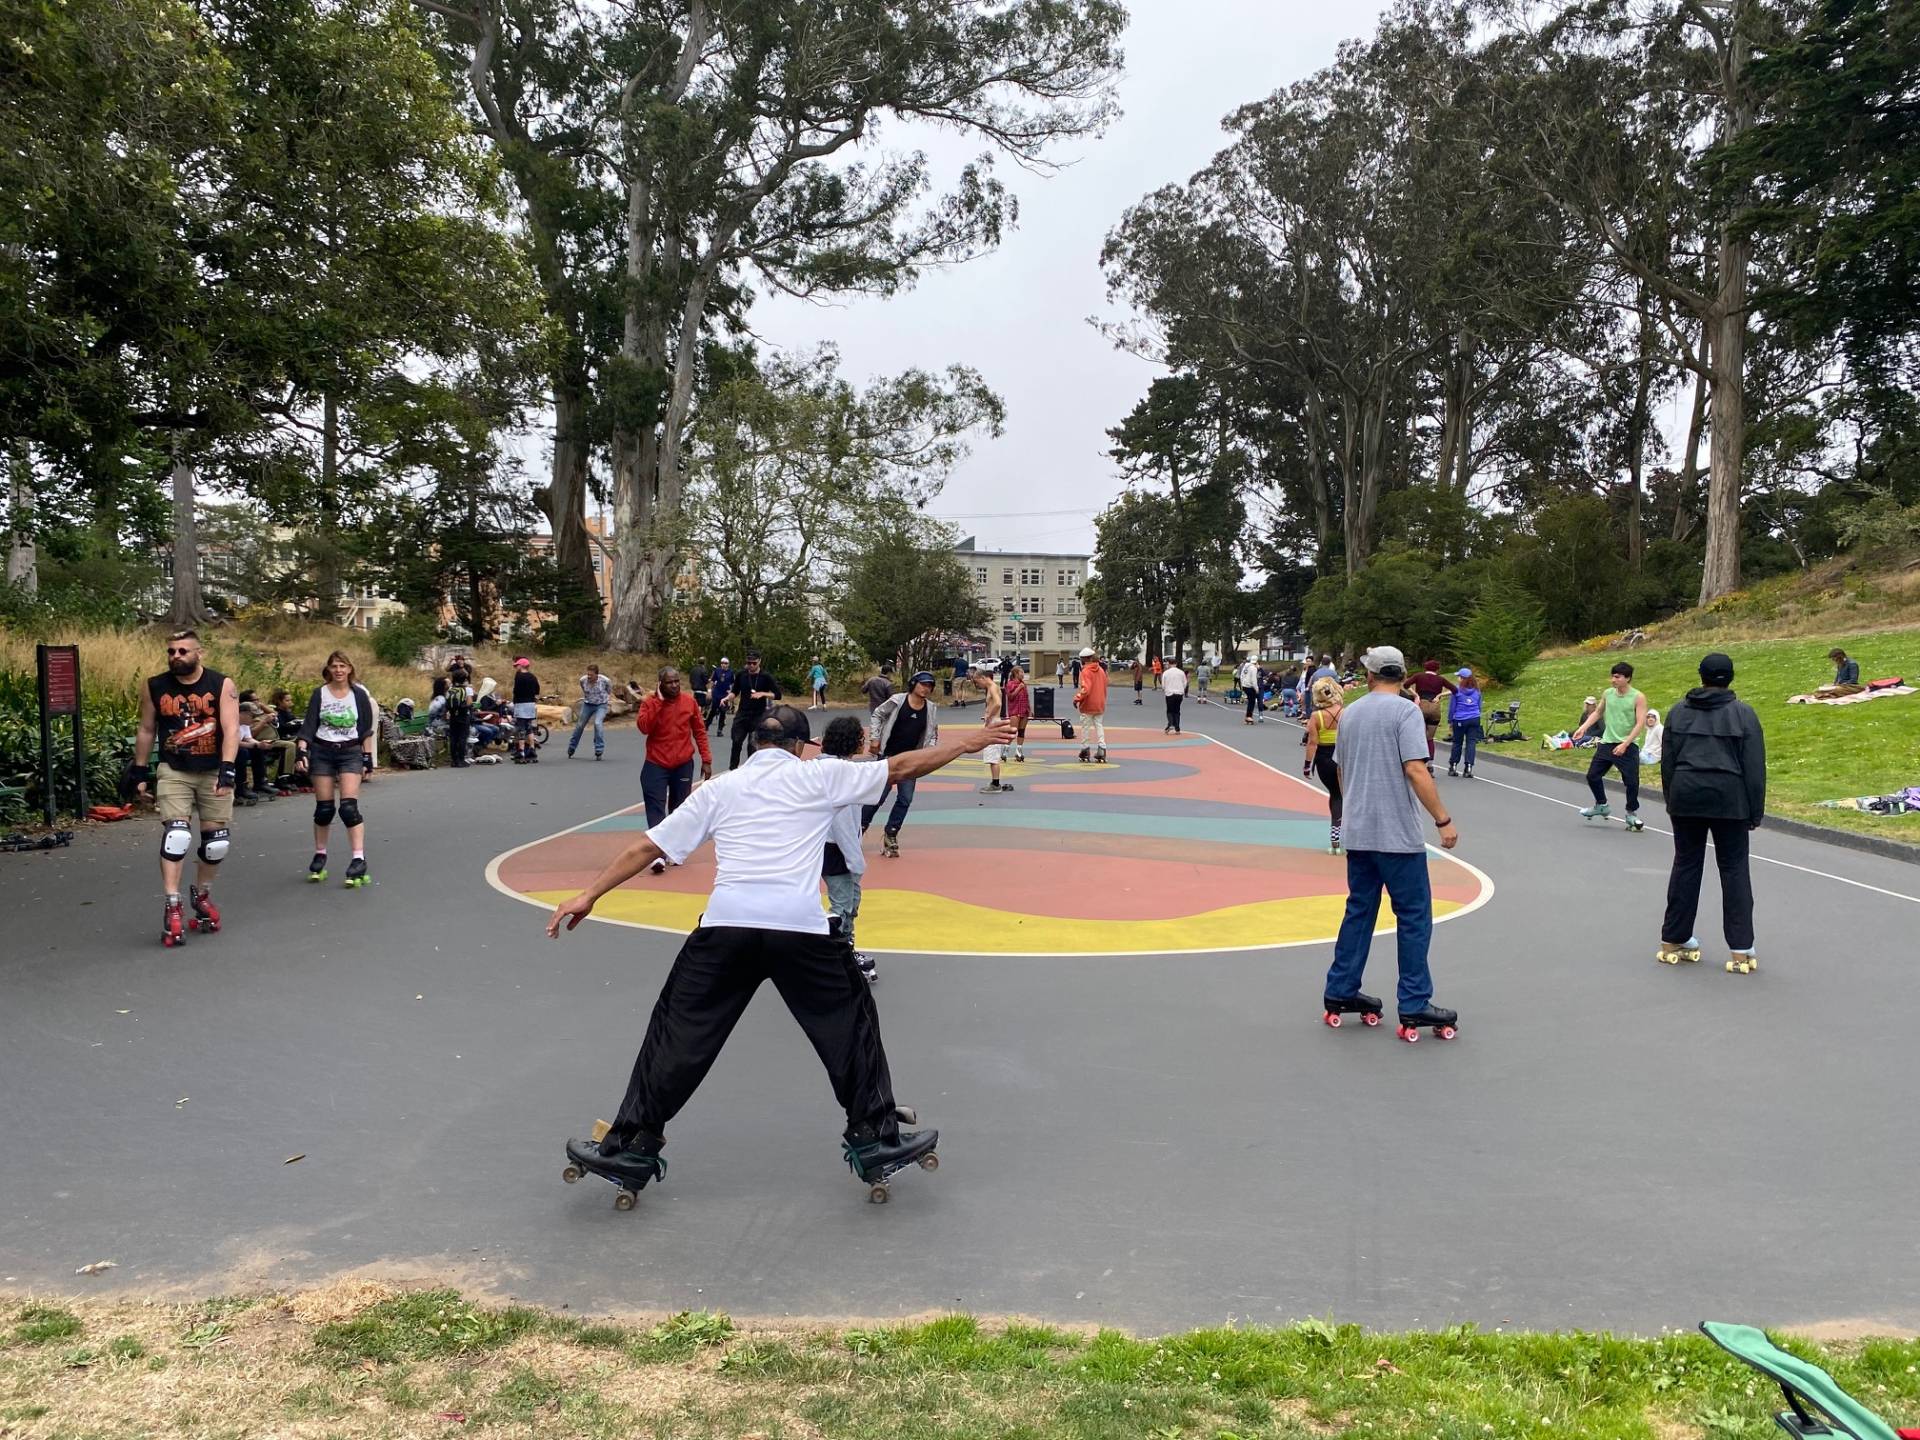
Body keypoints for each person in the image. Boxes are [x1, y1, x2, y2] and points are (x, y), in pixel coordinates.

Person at [547, 704, 1018, 1199]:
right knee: (850, 1027)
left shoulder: (720, 788)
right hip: (800, 930)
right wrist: (970, 742)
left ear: (753, 743)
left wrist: (589, 895)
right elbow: (900, 767)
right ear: (800, 745)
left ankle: (630, 1146)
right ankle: (875, 1136)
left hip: (726, 927)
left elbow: (647, 848)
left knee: (676, 1034)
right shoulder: (818, 776)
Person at [1319, 646, 1461, 1042]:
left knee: (1359, 910)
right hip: (1397, 835)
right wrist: (1442, 819)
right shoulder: (1405, 712)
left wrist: (1353, 814)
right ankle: (1414, 1001)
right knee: (1414, 916)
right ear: (1402, 675)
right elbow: (1415, 768)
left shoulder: (1351, 714)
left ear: (1369, 675)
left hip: (1359, 832)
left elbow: (1343, 771)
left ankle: (1341, 989)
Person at [130, 630, 240, 944]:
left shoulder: (221, 685)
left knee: (216, 843)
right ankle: (173, 903)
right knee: (177, 835)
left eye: (182, 651)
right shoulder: (155, 685)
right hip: (173, 769)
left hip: (213, 769)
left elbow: (231, 729)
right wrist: (139, 770)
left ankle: (202, 895)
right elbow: (147, 728)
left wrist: (228, 769)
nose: (176, 656)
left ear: (198, 653)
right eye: (171, 652)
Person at [1658, 653, 1765, 971]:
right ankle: (1741, 947)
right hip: (1729, 799)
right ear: (1730, 677)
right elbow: (1754, 768)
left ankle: (1673, 937)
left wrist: (1671, 800)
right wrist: (1754, 812)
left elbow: (1668, 762)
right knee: (1734, 869)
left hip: (1686, 794)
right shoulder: (1744, 714)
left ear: (1700, 676)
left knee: (1686, 865)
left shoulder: (1678, 712)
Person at [296, 650, 377, 888]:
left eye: (343, 666)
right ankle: (320, 853)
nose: (339, 670)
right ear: (328, 669)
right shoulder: (319, 694)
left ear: (350, 669)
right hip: (322, 752)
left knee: (349, 809)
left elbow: (365, 729)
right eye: (334, 666)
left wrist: (367, 758)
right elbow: (309, 726)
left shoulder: (359, 695)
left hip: (350, 752)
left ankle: (358, 859)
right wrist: (302, 751)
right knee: (324, 809)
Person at [634, 666, 712, 874]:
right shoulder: (650, 702)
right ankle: (656, 855)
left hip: (682, 763)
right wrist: (658, 703)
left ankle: (672, 850)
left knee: (679, 810)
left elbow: (699, 731)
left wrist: (706, 759)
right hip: (656, 764)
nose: (675, 685)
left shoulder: (689, 702)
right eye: (670, 682)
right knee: (655, 808)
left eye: (677, 681)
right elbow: (644, 728)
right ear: (660, 684)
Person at [819, 716, 878, 983]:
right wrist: (856, 862)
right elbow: (842, 824)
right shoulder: (841, 775)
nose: (863, 742)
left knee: (850, 903)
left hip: (838, 849)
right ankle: (838, 957)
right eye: (860, 738)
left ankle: (846, 950)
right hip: (837, 850)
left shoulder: (836, 768)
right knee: (842, 905)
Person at [865, 672, 940, 852]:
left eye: (929, 686)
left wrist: (928, 752)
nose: (926, 688)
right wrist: (874, 738)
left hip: (910, 761)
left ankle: (891, 832)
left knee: (905, 799)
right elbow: (877, 715)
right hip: (889, 757)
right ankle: (860, 827)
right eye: (923, 684)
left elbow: (933, 733)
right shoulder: (897, 701)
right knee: (877, 797)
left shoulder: (931, 708)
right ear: (913, 684)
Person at [1571, 661, 1649, 831]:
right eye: (1612, 676)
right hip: (1607, 743)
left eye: (1617, 677)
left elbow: (1640, 723)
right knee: (1592, 776)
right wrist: (1583, 728)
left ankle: (1631, 814)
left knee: (1631, 782)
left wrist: (1625, 743)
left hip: (1628, 745)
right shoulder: (1608, 693)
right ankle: (1601, 805)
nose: (1613, 680)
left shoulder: (1638, 697)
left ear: (1627, 678)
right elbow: (1598, 712)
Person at [1302, 676, 1344, 853]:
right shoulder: (1346, 712)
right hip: (1344, 755)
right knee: (1348, 795)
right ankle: (1348, 832)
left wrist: (1307, 765)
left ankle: (1335, 837)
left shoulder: (1316, 716)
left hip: (1324, 758)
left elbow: (1312, 742)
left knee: (1335, 795)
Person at [728, 651, 782, 770]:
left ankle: (752, 770)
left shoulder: (766, 676)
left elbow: (778, 695)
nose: (751, 666)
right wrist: (727, 698)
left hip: (758, 715)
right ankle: (732, 769)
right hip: (742, 713)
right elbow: (735, 691)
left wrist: (763, 694)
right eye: (749, 663)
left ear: (759, 662)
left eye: (754, 663)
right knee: (736, 742)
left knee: (752, 745)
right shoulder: (741, 675)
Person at [1409, 659, 1458, 765]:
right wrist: (1439, 695)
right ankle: (1430, 764)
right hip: (1434, 708)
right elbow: (1455, 690)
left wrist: (1416, 695)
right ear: (1437, 669)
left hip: (1421, 707)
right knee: (1430, 738)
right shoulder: (1440, 679)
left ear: (1425, 668)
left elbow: (1406, 685)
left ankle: (1419, 761)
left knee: (1419, 736)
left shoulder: (1418, 676)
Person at [974, 662, 1012, 794]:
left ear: (982, 678)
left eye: (977, 682)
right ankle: (994, 781)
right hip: (993, 722)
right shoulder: (992, 687)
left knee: (993, 754)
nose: (978, 686)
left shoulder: (992, 688)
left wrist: (989, 717)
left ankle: (996, 784)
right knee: (991, 754)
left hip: (994, 723)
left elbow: (997, 703)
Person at [568, 663, 612, 760]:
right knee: (580, 725)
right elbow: (583, 689)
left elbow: (609, 690)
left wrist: (606, 699)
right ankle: (571, 747)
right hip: (588, 704)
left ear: (597, 675)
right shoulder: (583, 680)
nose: (589, 676)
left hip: (601, 704)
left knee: (597, 723)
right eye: (588, 674)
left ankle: (599, 749)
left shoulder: (605, 680)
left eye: (591, 675)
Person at [1072, 647, 1108, 761]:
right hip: (1100, 702)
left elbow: (1085, 689)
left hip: (1088, 704)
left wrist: (1077, 698)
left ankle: (1085, 750)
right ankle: (1102, 748)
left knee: (1085, 727)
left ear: (1085, 659)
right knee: (1099, 725)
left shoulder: (1086, 671)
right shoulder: (1101, 670)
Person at [1445, 669, 1483, 777]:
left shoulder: (1457, 690)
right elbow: (1479, 706)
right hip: (1474, 718)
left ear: (1462, 679)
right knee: (1471, 743)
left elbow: (1452, 707)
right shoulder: (1477, 691)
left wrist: (1450, 720)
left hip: (1460, 718)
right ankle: (1469, 767)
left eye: (1459, 677)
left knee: (1457, 742)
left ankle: (1453, 766)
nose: (1458, 679)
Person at [510, 656, 542, 764]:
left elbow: (516, 691)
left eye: (517, 665)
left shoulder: (519, 677)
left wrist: (515, 701)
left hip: (521, 703)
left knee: (521, 728)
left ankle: (521, 751)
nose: (516, 667)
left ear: (522, 665)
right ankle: (532, 750)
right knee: (529, 727)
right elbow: (537, 689)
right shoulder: (532, 676)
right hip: (530, 704)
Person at [443, 667, 474, 767]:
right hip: (463, 715)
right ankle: (461, 759)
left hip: (453, 716)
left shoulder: (451, 689)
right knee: (462, 737)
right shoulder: (466, 690)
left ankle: (454, 760)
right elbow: (469, 703)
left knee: (453, 738)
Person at [1005, 663, 1031, 760]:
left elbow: (1026, 697)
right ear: (1016, 673)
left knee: (1021, 731)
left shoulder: (1023, 684)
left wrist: (1030, 709)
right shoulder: (1010, 684)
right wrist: (1018, 688)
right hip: (1015, 710)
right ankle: (1006, 750)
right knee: (1013, 731)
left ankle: (1019, 751)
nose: (1023, 674)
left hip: (1024, 711)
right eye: (1021, 672)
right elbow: (1010, 697)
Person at [707, 657, 734, 733]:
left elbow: (732, 683)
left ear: (728, 664)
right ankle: (706, 725)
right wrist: (709, 691)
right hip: (716, 693)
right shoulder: (717, 671)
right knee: (713, 710)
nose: (723, 665)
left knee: (723, 711)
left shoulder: (730, 672)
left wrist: (730, 691)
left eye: (725, 663)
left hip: (724, 694)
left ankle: (720, 729)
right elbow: (712, 681)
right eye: (722, 663)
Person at [1161, 657, 1187, 733]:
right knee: (1177, 710)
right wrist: (1182, 689)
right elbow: (1185, 683)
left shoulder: (1166, 673)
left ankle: (1171, 723)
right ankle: (1177, 728)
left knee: (1169, 710)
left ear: (1169, 664)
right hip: (1179, 693)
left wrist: (1165, 689)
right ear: (1176, 664)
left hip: (1169, 693)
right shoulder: (1181, 672)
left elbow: (1163, 685)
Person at [1237, 656, 1261, 724]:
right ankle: (1249, 716)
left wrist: (1242, 685)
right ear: (1256, 661)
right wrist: (1256, 689)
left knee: (1250, 701)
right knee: (1252, 702)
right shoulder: (1253, 668)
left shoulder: (1245, 666)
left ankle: (1248, 716)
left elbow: (1241, 676)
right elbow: (1254, 680)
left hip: (1244, 685)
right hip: (1250, 686)